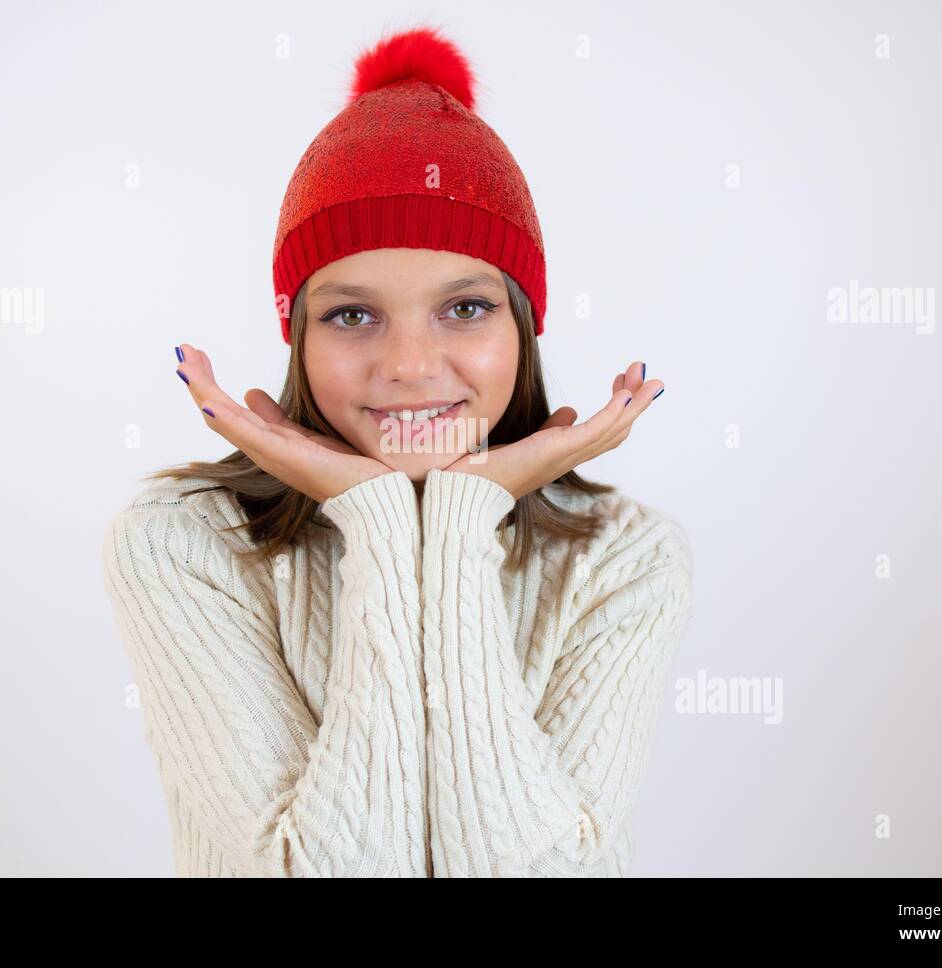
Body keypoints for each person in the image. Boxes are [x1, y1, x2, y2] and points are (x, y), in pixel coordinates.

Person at [101, 25, 693, 877]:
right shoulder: (182, 543)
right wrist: (380, 522)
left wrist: (456, 523)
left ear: (524, 328)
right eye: (352, 315)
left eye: (464, 308)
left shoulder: (627, 559)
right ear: (297, 337)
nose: (411, 368)